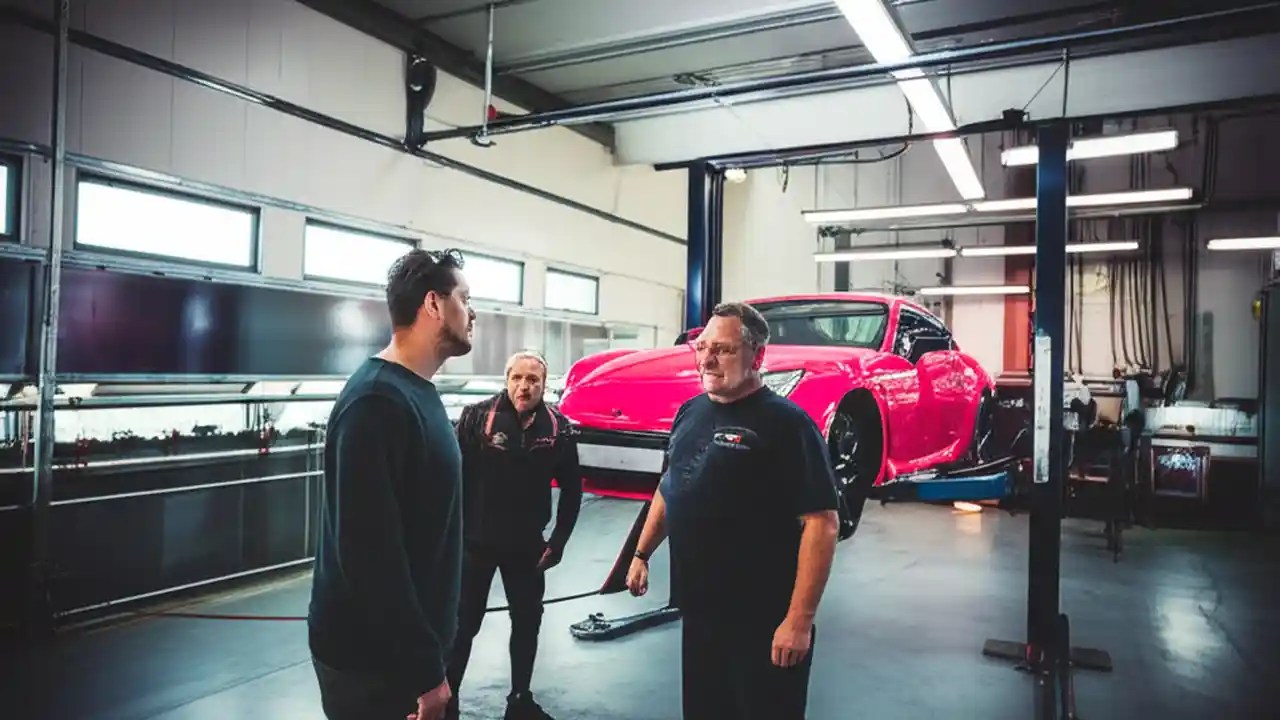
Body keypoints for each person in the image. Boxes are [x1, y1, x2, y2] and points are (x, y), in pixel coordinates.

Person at [626, 301, 841, 720]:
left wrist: (798, 621)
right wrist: (641, 553)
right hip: (701, 613)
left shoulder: (789, 425)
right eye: (701, 346)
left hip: (763, 620)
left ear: (757, 355)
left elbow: (822, 524)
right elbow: (671, 488)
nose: (706, 358)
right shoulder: (690, 412)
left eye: (722, 349)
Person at [308, 248, 477, 720]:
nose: (473, 311)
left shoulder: (415, 392)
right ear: (433, 305)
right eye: (465, 298)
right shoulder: (377, 403)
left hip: (408, 654)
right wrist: (424, 670)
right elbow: (369, 556)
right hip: (376, 666)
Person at [445, 350, 583, 720]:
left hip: (526, 546)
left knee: (527, 620)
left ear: (544, 385)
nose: (525, 386)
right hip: (475, 542)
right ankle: (447, 699)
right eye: (518, 378)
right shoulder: (478, 417)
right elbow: (452, 478)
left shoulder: (558, 428)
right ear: (507, 380)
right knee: (464, 623)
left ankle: (519, 699)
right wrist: (447, 537)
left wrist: (558, 542)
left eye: (533, 380)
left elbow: (572, 488)